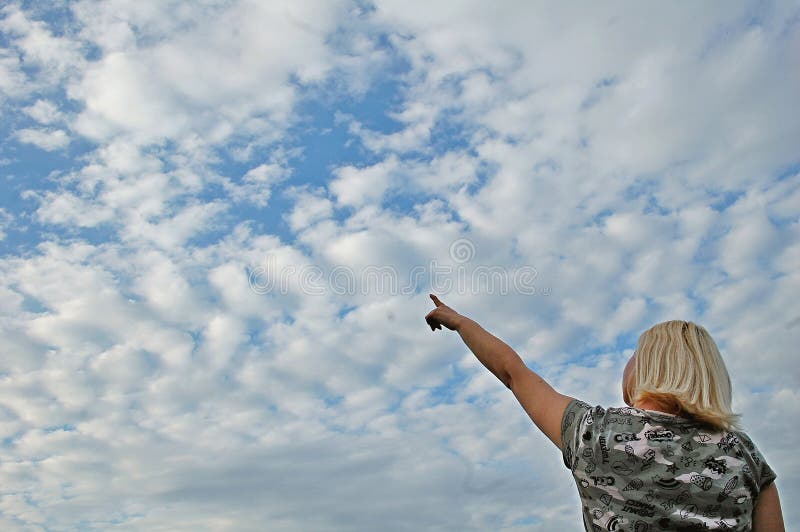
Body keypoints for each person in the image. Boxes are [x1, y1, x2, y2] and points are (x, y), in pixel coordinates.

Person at [424, 294, 785, 531]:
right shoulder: (744, 453)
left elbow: (513, 373)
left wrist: (462, 324)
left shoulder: (594, 431)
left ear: (650, 366)